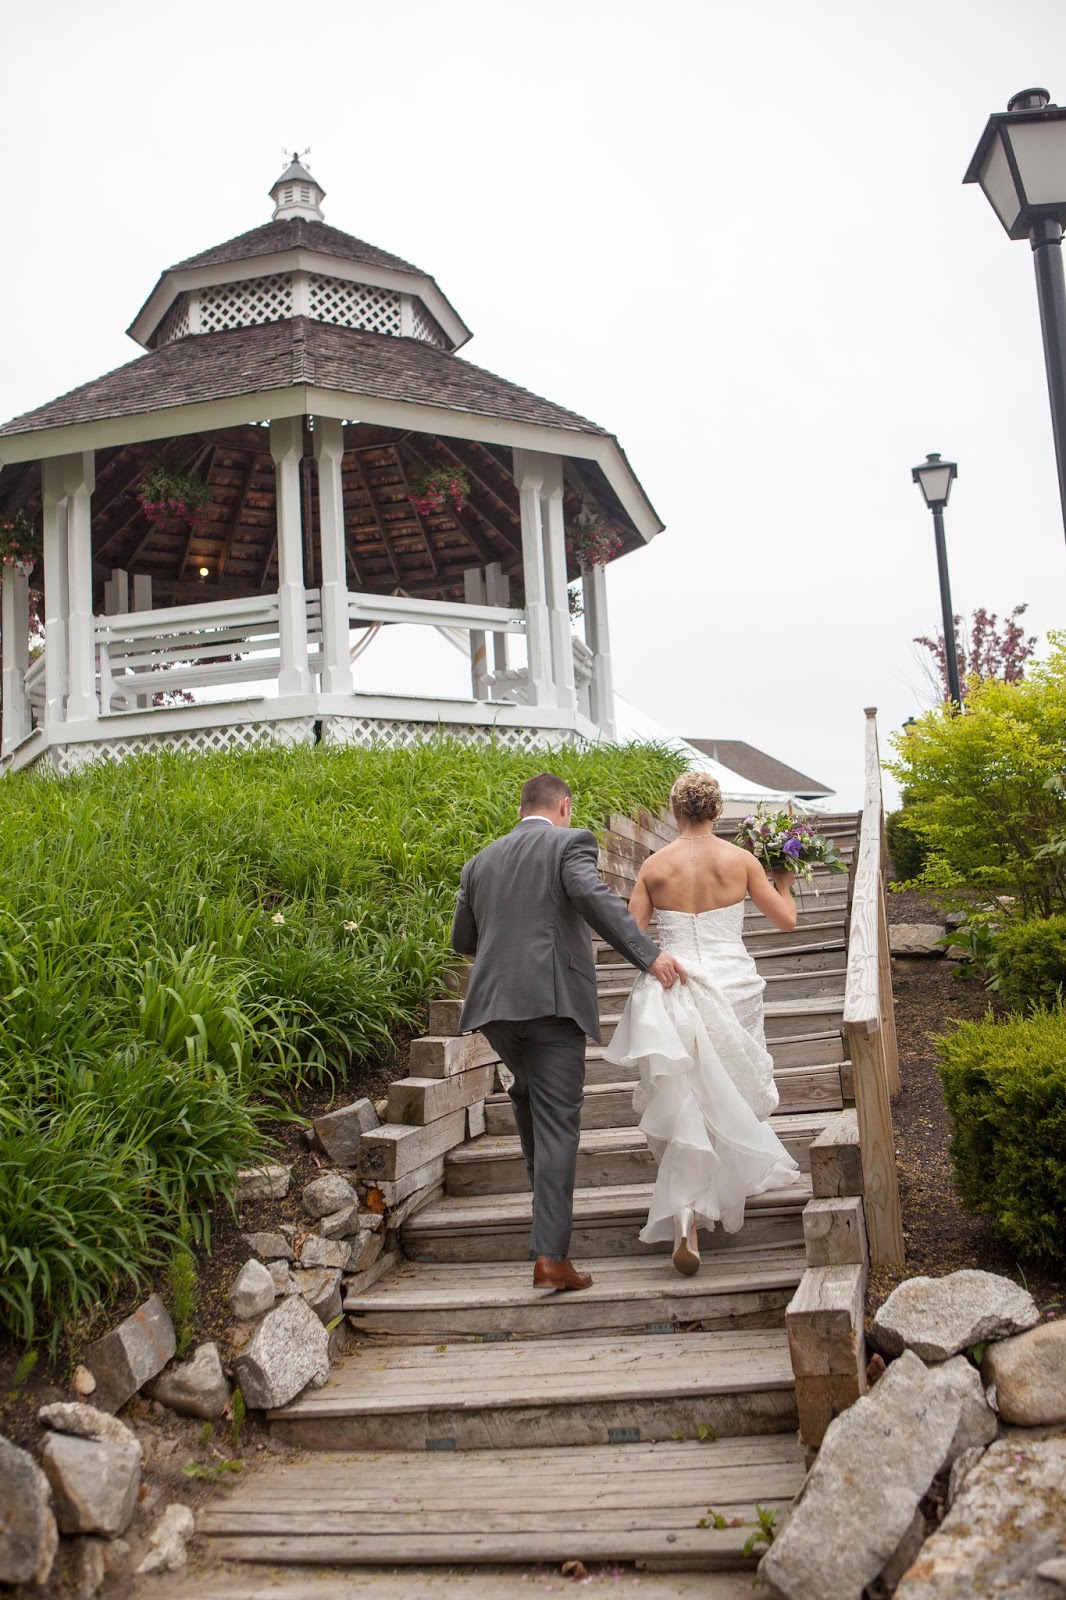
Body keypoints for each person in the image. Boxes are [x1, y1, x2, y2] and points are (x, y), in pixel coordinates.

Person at [451, 772, 686, 1293]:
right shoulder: (569, 843)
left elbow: (462, 938)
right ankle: (552, 1258)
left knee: (533, 1107)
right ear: (564, 806)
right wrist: (649, 956)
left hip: (494, 1008)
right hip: (552, 1004)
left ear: (520, 809)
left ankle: (547, 1242)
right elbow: (595, 899)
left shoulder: (479, 862)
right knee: (558, 1125)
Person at [605, 771, 801, 1275]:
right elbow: (786, 921)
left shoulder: (654, 866)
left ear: (676, 811)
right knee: (723, 1093)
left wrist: (658, 956)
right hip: (732, 986)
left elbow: (631, 935)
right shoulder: (741, 861)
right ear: (717, 811)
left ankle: (686, 1218)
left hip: (674, 987)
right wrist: (783, 882)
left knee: (685, 1099)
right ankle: (712, 1191)